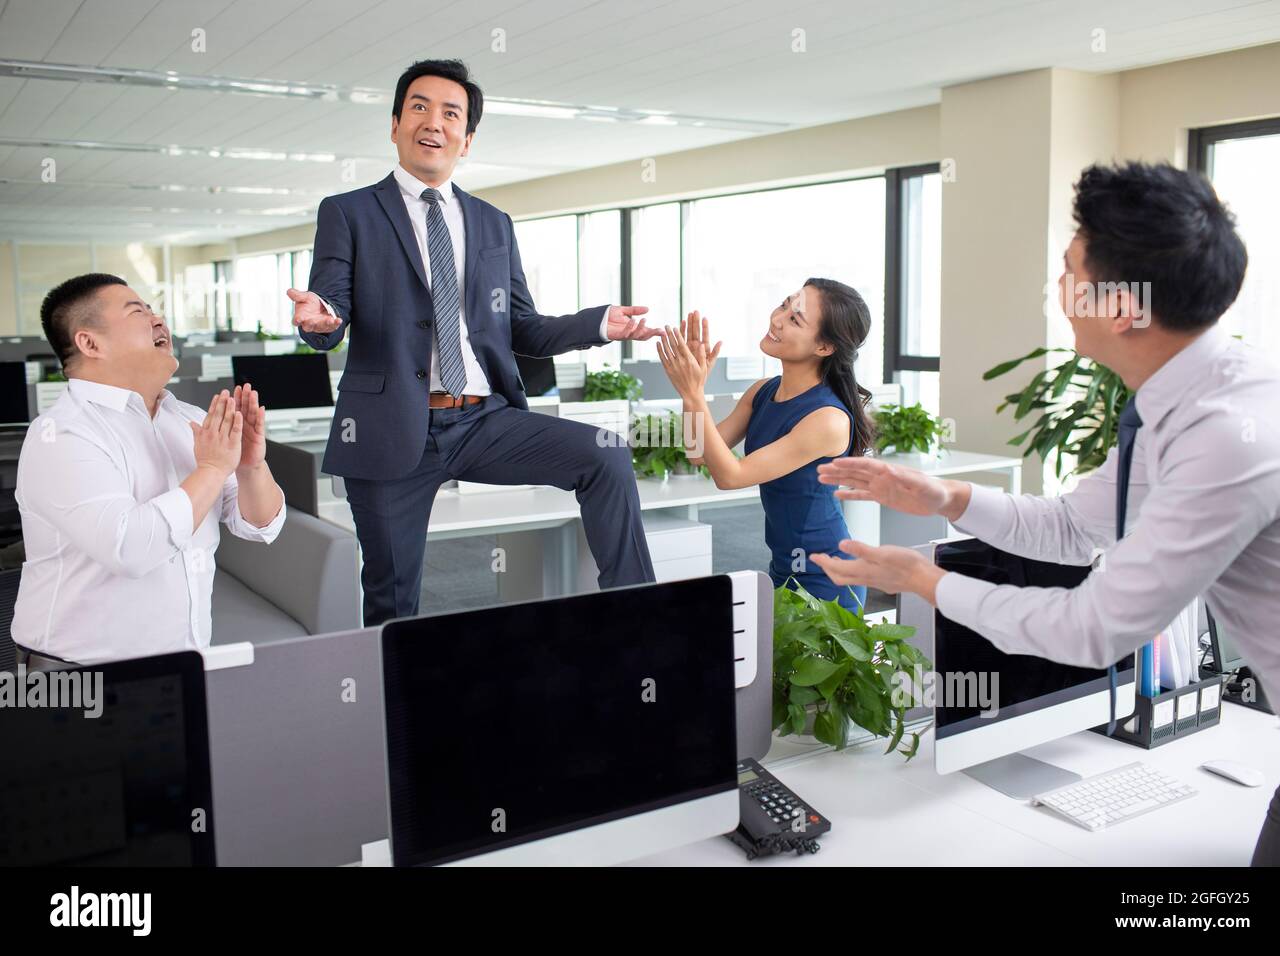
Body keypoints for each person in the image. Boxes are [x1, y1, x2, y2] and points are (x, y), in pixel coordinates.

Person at [810, 162, 1280, 866]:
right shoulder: (1190, 399)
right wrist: (944, 499)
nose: (1057, 292)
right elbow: (1076, 531)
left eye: (1070, 272)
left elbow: (1096, 629)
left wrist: (924, 580)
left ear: (1126, 306)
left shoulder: (1227, 434)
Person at [286, 59, 661, 626]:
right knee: (391, 599)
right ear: (394, 125)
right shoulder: (349, 212)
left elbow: (522, 329)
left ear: (467, 139)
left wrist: (597, 323)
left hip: (482, 420)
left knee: (605, 454)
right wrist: (323, 319)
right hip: (389, 428)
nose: (433, 122)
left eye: (450, 113)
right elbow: (330, 309)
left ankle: (641, 620)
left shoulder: (492, 223)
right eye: (418, 107)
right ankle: (395, 706)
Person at [12, 274, 286, 666]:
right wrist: (211, 468)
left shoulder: (187, 419)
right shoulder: (61, 434)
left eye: (155, 310)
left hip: (184, 662)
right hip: (79, 675)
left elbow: (261, 526)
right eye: (138, 311)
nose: (159, 320)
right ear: (90, 342)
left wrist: (249, 466)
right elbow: (130, 549)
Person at [657, 280, 876, 608]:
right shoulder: (761, 392)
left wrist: (694, 392)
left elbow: (730, 476)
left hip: (829, 579)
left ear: (824, 347)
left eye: (795, 319)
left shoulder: (828, 419)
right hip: (783, 568)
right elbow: (697, 452)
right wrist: (691, 394)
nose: (777, 318)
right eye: (784, 305)